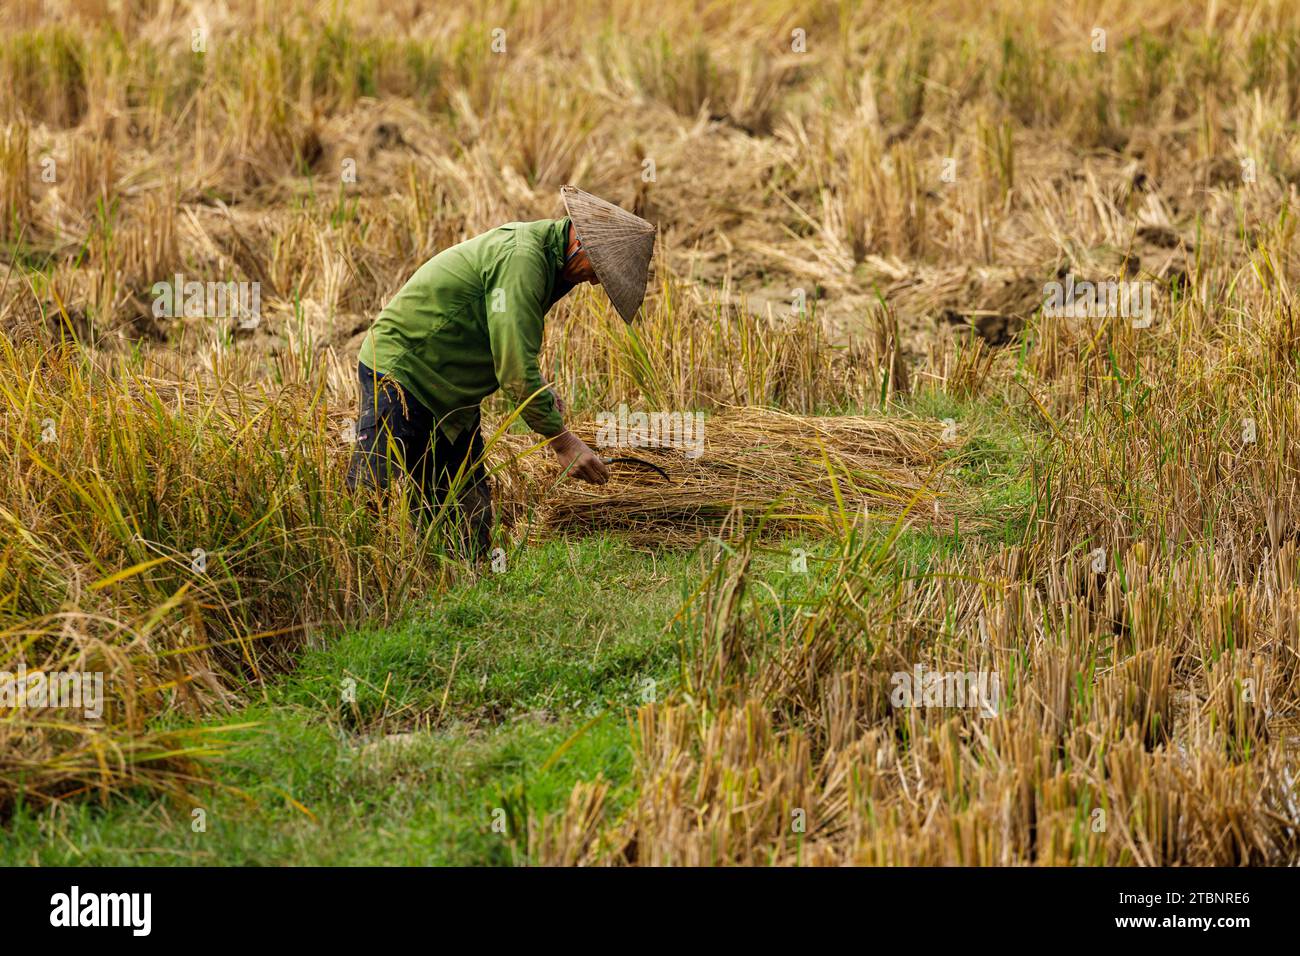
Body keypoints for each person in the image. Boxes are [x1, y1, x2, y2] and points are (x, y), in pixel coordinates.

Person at [346, 185, 656, 555]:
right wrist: (563, 442)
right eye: (597, 272)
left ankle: (466, 586)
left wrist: (540, 389)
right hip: (403, 370)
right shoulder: (523, 260)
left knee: (465, 507)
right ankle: (355, 577)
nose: (592, 281)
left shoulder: (548, 259)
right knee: (373, 492)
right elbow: (513, 368)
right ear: (580, 242)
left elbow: (506, 338)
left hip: (451, 392)